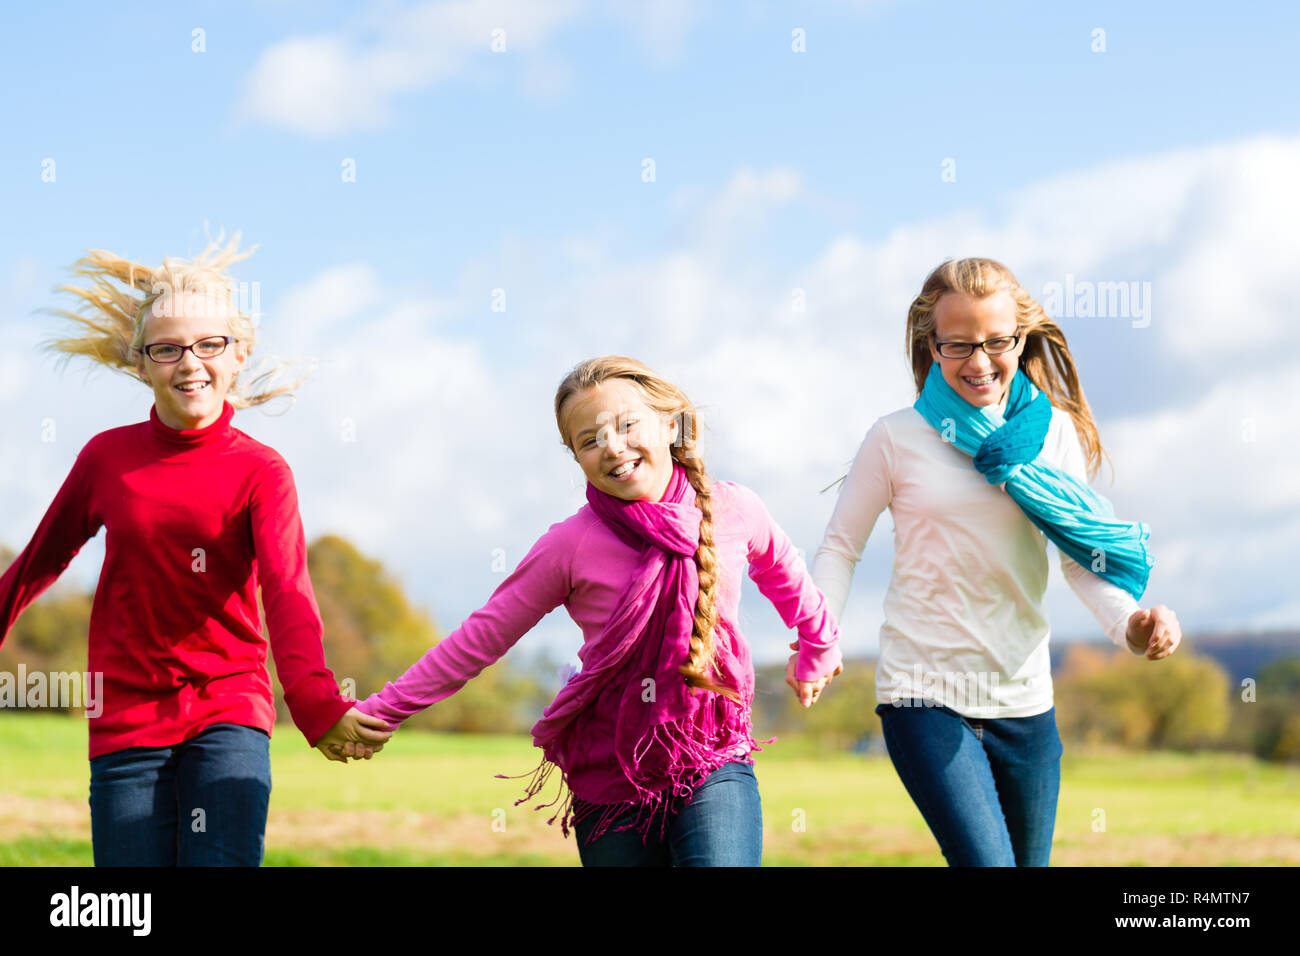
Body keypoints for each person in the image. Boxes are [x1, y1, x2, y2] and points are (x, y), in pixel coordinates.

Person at [353, 355, 843, 866]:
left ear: (670, 424)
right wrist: (381, 711)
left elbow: (786, 574)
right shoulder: (569, 544)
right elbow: (481, 638)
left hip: (712, 756)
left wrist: (819, 646)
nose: (611, 446)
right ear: (577, 458)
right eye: (588, 440)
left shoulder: (733, 509)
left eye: (626, 424)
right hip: (612, 773)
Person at [0, 234, 392, 866]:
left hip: (228, 708)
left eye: (210, 345)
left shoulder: (262, 471)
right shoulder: (107, 459)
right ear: (140, 363)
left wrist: (317, 705)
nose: (190, 363)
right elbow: (37, 563)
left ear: (239, 354)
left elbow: (288, 592)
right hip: (126, 716)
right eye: (169, 349)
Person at [811, 257, 1182, 867]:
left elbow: (1078, 555)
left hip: (1024, 698)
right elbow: (840, 548)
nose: (979, 362)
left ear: (1021, 338)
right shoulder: (895, 437)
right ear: (931, 345)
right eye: (958, 344)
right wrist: (818, 636)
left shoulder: (1052, 435)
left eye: (995, 342)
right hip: (923, 694)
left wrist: (1130, 624)